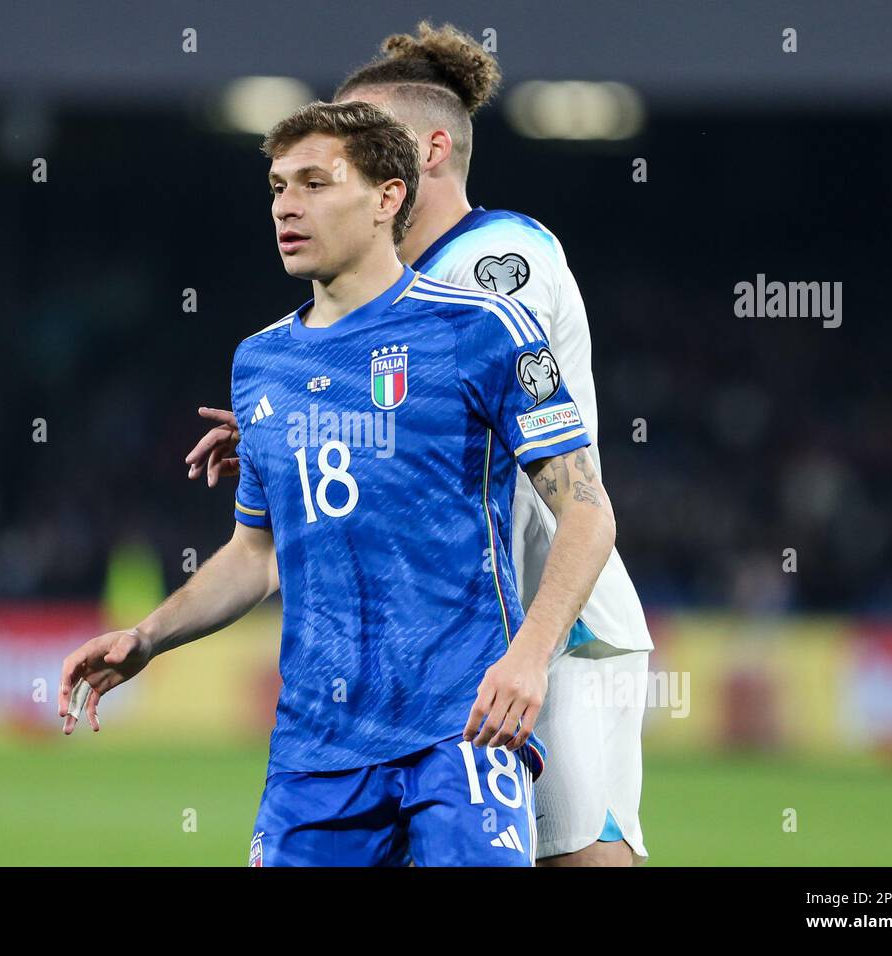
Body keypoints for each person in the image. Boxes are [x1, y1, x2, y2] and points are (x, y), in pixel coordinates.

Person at [61, 101, 615, 866]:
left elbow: (587, 511)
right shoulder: (261, 363)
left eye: (316, 183)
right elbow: (254, 557)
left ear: (389, 197)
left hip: (460, 729)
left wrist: (527, 656)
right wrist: (147, 637)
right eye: (278, 187)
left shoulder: (481, 329)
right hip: (314, 751)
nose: (287, 205)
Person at [184, 22, 653, 866]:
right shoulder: (406, 288)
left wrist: (317, 416)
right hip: (455, 635)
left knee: (576, 849)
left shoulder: (496, 260)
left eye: (362, 139)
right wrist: (287, 432)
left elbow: (428, 385)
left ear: (421, 155)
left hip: (552, 616)